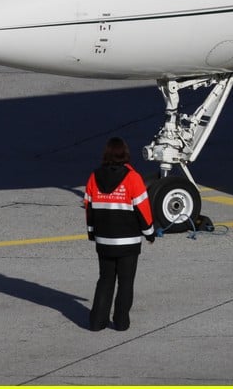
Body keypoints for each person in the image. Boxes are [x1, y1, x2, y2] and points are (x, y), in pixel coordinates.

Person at [84, 137, 155, 331]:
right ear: (126, 154)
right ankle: (122, 321)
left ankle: (97, 321)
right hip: (128, 242)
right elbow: (143, 209)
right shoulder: (133, 178)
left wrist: (92, 233)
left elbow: (88, 208)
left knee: (105, 279)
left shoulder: (94, 177)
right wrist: (149, 233)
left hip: (104, 240)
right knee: (125, 282)